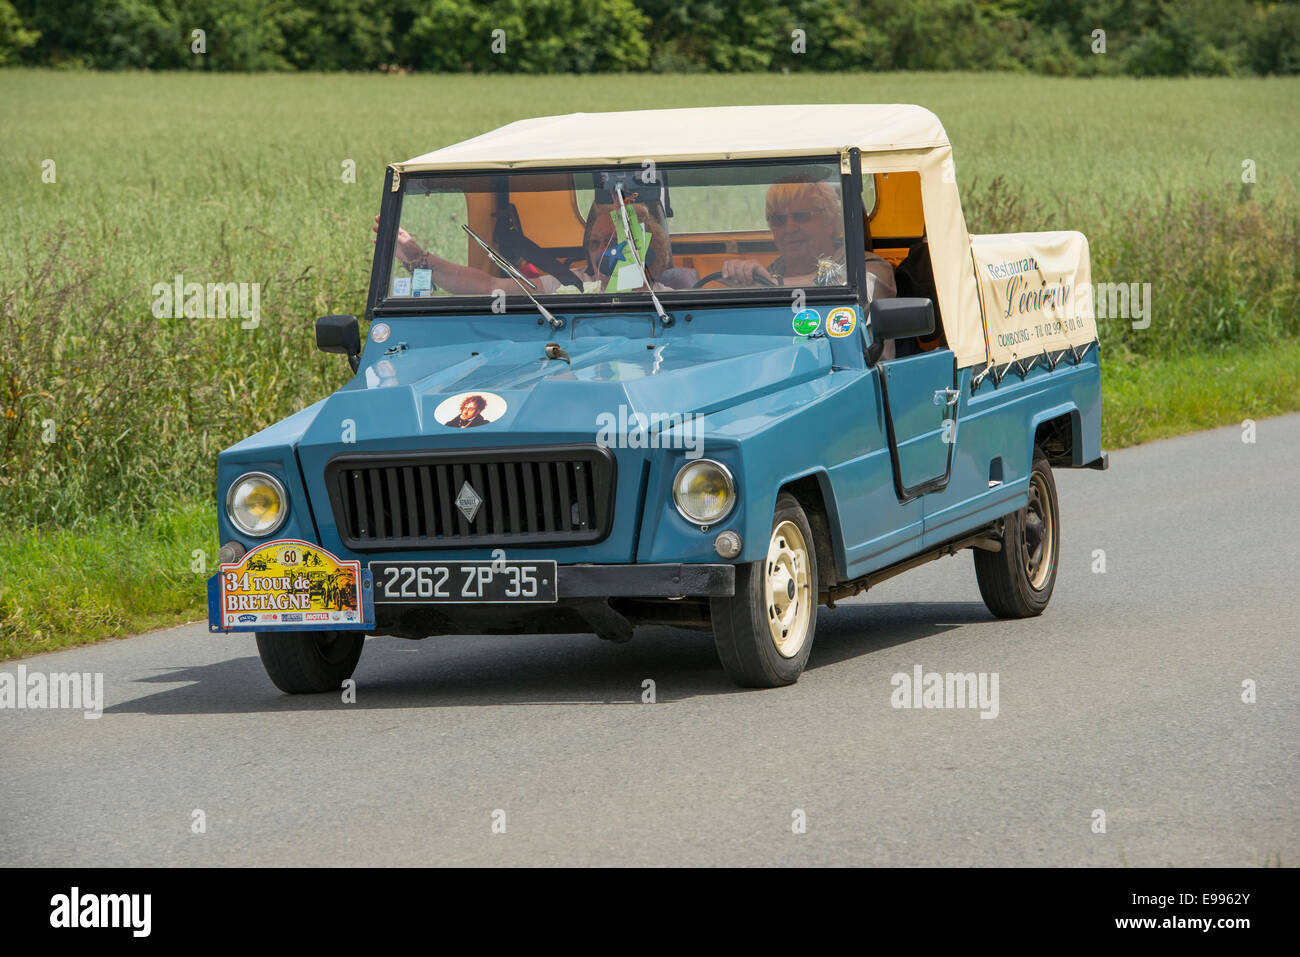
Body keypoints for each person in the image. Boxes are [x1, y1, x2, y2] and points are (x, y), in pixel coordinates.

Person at [372, 197, 672, 296]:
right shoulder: (572, 284)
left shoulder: (673, 304)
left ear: (643, 249)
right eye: (594, 242)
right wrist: (416, 256)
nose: (600, 251)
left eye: (614, 242)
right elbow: (489, 286)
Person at [717, 175, 897, 302]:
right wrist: (741, 280)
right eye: (778, 220)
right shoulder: (764, 275)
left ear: (830, 221)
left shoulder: (871, 267)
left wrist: (770, 286)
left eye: (802, 216)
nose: (790, 229)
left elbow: (853, 289)